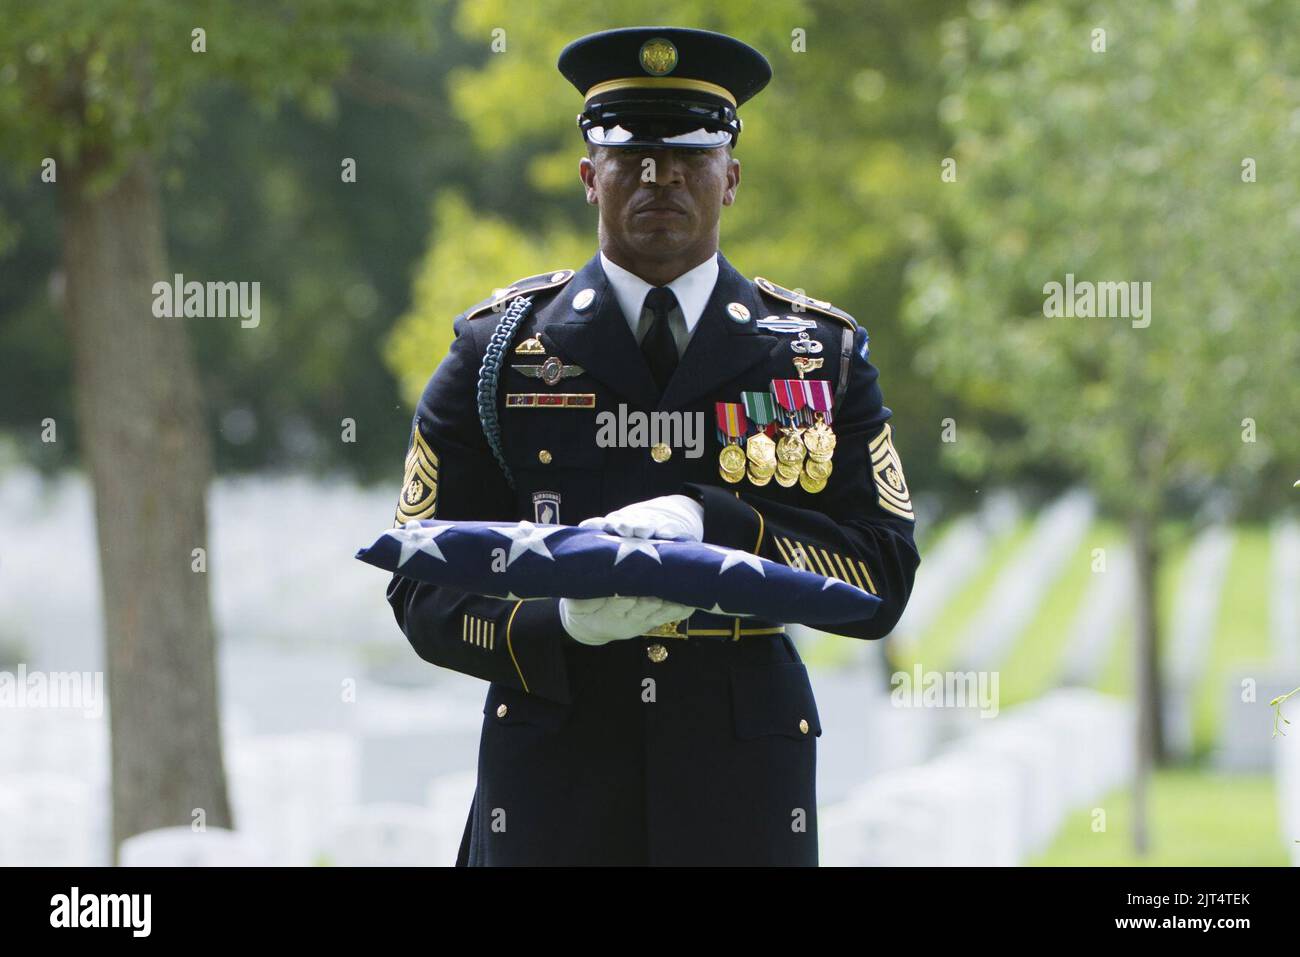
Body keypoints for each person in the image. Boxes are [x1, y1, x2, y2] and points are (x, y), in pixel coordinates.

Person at [386, 26, 920, 866]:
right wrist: (558, 622)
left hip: (741, 791)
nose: (660, 176)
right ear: (587, 176)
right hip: (553, 784)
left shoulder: (815, 354)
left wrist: (716, 523)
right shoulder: (500, 349)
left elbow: (882, 577)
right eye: (631, 155)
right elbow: (422, 581)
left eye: (689, 156)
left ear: (732, 178)